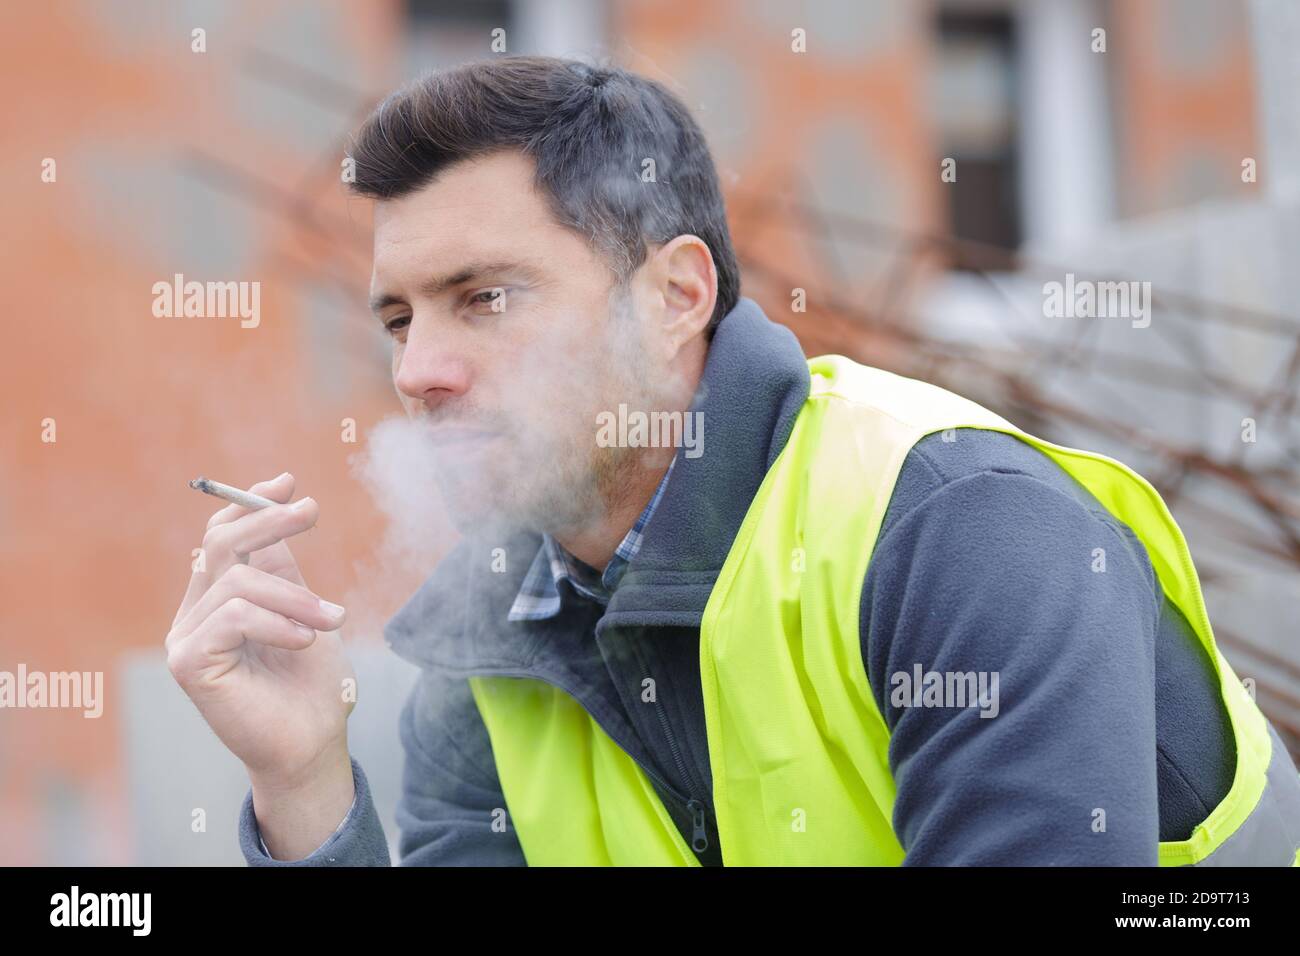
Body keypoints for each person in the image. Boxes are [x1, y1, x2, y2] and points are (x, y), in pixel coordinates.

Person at [165, 56, 1300, 866]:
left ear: (676, 296)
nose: (419, 373)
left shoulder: (958, 530)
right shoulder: (484, 647)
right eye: (401, 319)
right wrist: (306, 781)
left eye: (486, 297)